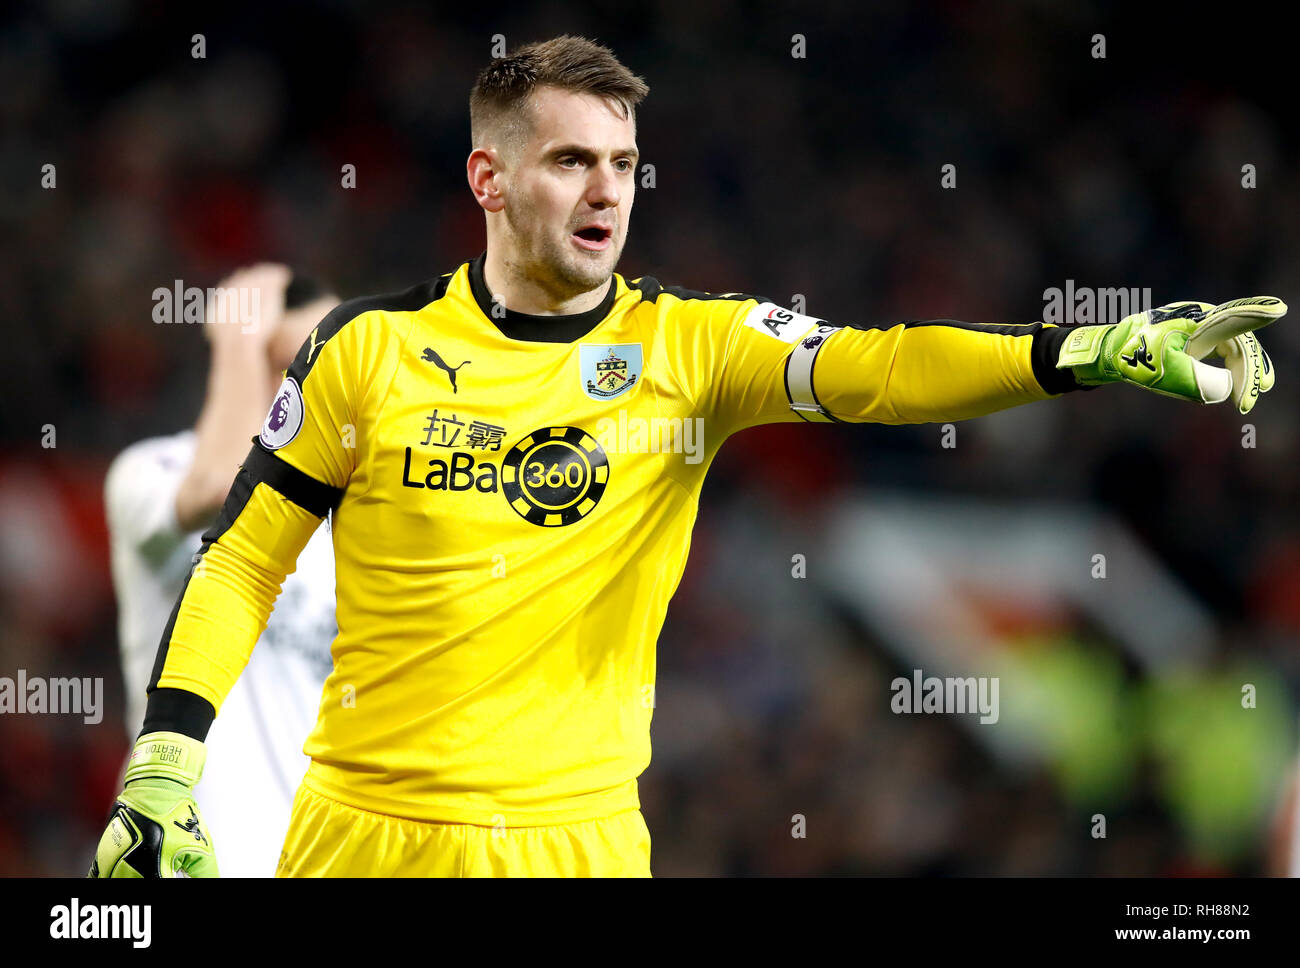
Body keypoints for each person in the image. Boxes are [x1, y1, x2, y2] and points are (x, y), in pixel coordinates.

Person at [90, 35, 1284, 878]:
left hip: (574, 844)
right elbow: (241, 560)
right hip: (360, 835)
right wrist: (162, 764)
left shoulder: (693, 347)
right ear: (488, 178)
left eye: (620, 162)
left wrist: (1093, 347)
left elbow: (884, 366)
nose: (607, 189)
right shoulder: (370, 353)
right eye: (570, 160)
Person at [102, 264, 340, 876]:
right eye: (306, 358)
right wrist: (237, 337)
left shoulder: (350, 517)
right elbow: (224, 486)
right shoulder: (151, 470)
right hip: (193, 859)